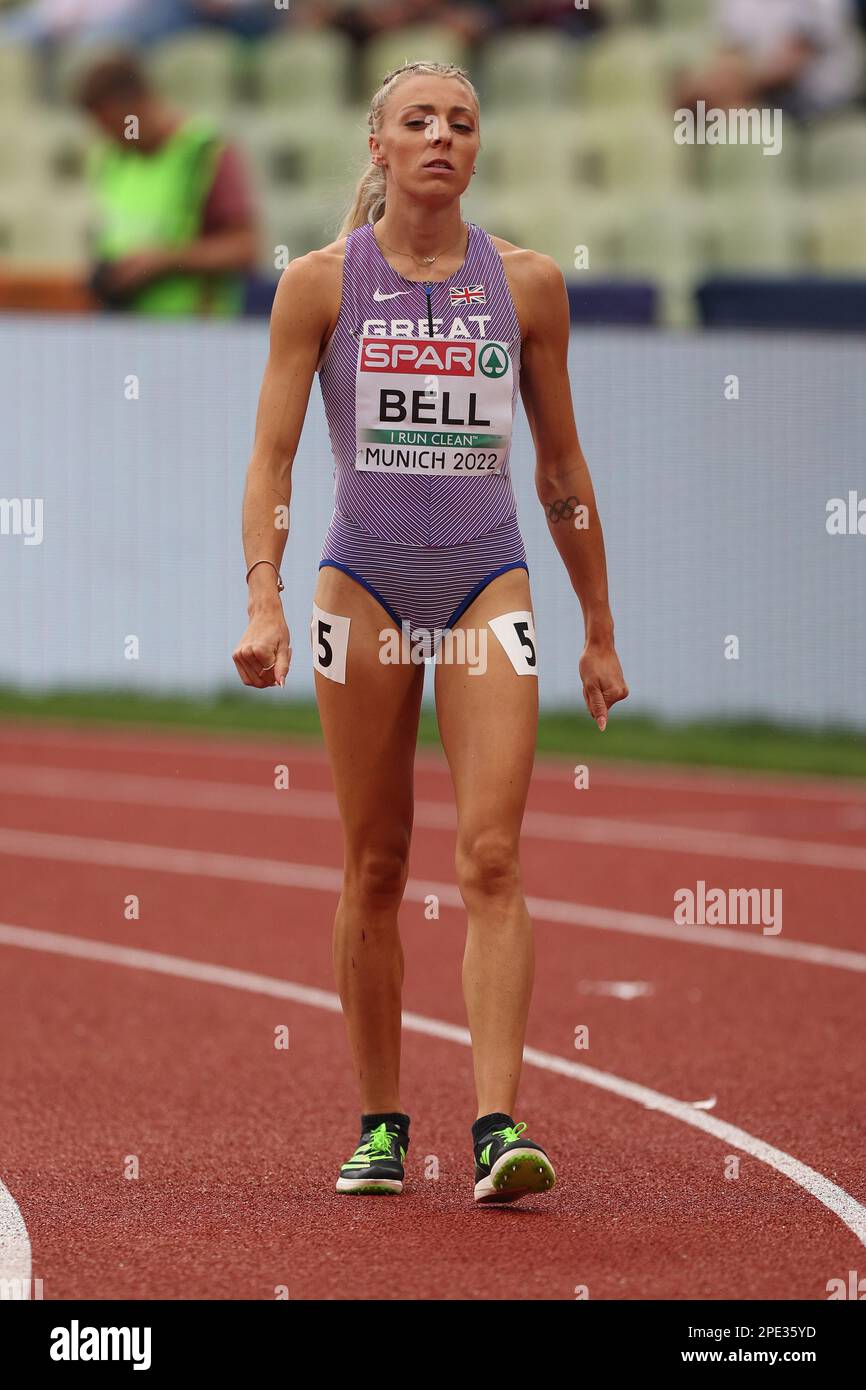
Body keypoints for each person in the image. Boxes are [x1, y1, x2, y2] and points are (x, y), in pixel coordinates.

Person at [232, 60, 628, 1203]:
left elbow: (559, 467)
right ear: (379, 145)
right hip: (355, 588)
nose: (442, 136)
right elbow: (269, 458)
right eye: (419, 121)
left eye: (461, 121)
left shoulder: (528, 286)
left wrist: (597, 623)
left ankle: (499, 1125)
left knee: (492, 854)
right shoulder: (316, 285)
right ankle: (379, 1124)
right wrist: (263, 597)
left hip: (483, 583)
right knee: (374, 862)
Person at [77, 53, 257, 315]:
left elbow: (245, 248)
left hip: (195, 334)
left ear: (138, 106)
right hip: (125, 331)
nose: (107, 136)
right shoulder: (114, 161)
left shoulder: (204, 151)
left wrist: (165, 261)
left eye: (112, 125)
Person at [675, 0, 864, 121]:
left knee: (726, 110)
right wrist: (705, 86)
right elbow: (730, 56)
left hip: (823, 101)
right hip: (766, 92)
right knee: (699, 101)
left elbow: (789, 67)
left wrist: (722, 86)